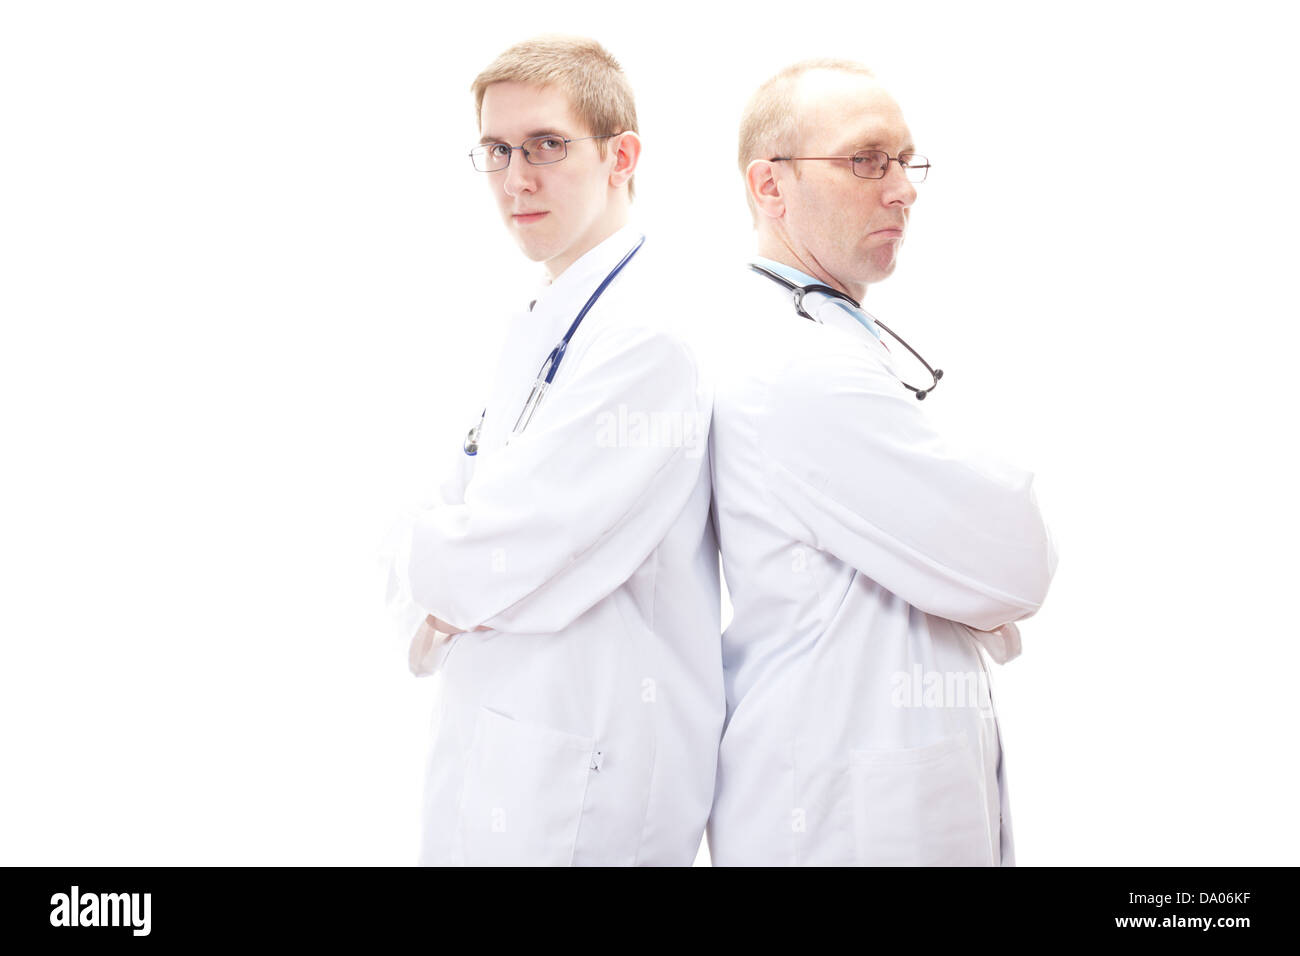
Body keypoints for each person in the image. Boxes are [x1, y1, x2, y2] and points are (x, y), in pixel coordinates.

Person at [704, 59, 1058, 866]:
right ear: (770, 186)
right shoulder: (799, 370)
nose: (902, 189)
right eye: (866, 160)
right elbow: (1019, 560)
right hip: (840, 818)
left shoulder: (823, 342)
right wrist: (966, 579)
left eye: (905, 161)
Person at [382, 36, 722, 866]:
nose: (516, 179)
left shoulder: (648, 338)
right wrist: (447, 561)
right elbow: (444, 538)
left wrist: (445, 563)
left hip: (588, 781)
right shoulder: (547, 320)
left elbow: (478, 558)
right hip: (508, 758)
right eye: (497, 150)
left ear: (622, 155)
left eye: (546, 145)